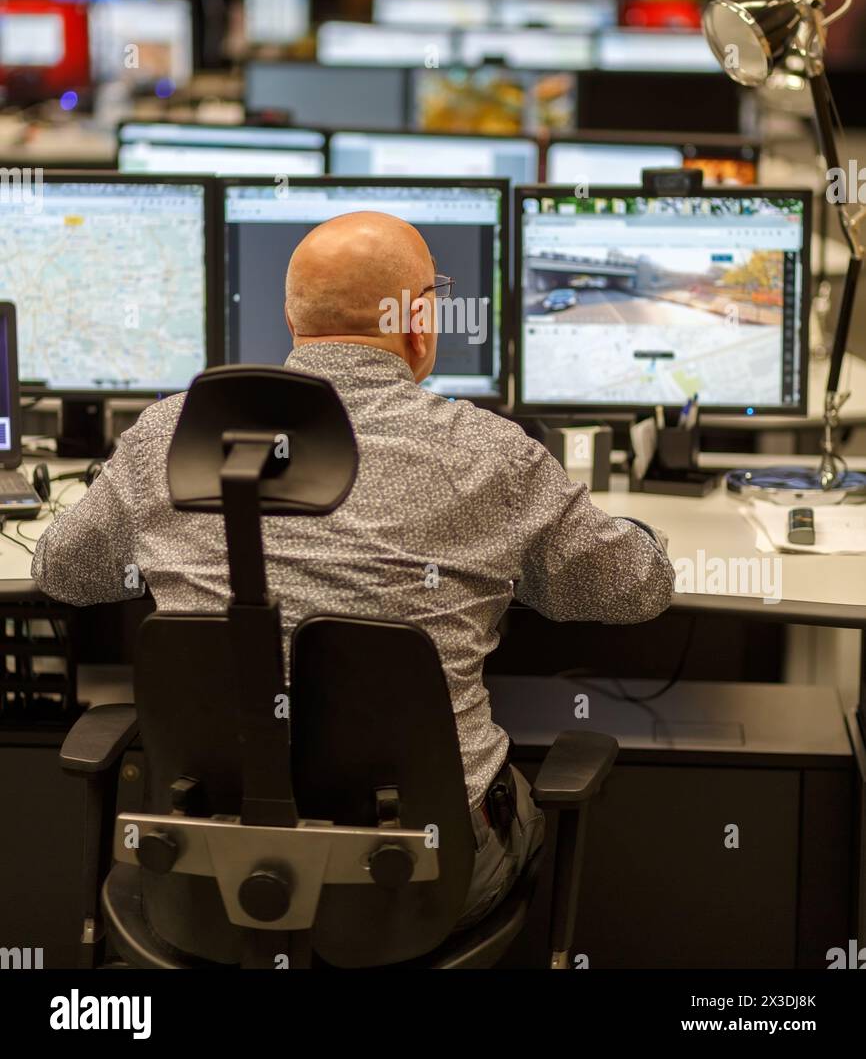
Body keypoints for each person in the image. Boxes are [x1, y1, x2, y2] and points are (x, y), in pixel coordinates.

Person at [32, 211, 674, 931]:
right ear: (421, 321)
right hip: (420, 878)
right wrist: (636, 534)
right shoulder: (492, 455)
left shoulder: (171, 436)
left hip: (205, 867)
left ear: (290, 317)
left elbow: (66, 573)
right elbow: (634, 589)